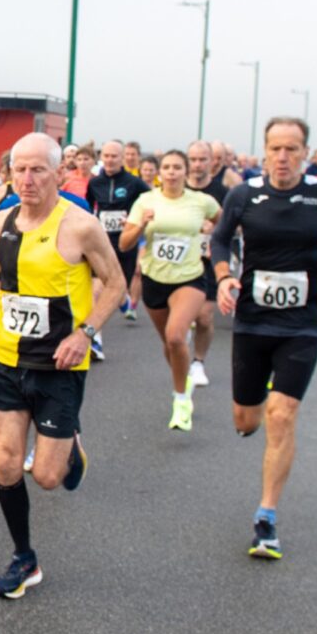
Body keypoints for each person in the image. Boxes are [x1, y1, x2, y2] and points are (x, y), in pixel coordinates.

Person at [0, 133, 125, 598]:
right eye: (19, 169)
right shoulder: (2, 222)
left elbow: (115, 283)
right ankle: (24, 557)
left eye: (38, 169)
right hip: (7, 358)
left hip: (59, 366)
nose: (27, 178)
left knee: (45, 477)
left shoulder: (81, 227)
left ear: (59, 173)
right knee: (5, 461)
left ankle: (70, 446)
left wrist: (86, 334)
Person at [211, 117, 317, 562]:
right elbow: (219, 238)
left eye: (292, 148)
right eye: (275, 148)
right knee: (246, 421)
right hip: (252, 323)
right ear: (265, 151)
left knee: (282, 413)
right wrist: (224, 276)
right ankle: (264, 401)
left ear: (305, 153)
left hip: (302, 326)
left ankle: (266, 518)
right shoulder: (244, 195)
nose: (283, 156)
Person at [119, 149, 219, 432]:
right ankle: (183, 377)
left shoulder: (201, 202)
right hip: (154, 278)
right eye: (167, 167)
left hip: (190, 277)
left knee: (176, 336)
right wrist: (142, 226)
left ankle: (181, 400)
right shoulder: (146, 201)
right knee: (169, 344)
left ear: (186, 172)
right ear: (159, 172)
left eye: (178, 167)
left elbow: (223, 221)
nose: (172, 172)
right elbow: (124, 244)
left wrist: (212, 231)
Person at [86, 140, 149, 330]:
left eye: (114, 156)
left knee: (121, 281)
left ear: (122, 158)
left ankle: (124, 298)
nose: (110, 160)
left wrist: (134, 218)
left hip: (125, 240)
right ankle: (94, 335)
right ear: (100, 157)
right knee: (98, 286)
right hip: (101, 240)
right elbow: (89, 207)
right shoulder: (95, 182)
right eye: (106, 156)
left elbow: (151, 201)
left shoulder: (134, 183)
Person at [185, 140, 233, 388]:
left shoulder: (224, 194)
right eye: (193, 159)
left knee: (204, 317)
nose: (198, 164)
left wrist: (215, 227)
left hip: (208, 261)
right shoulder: (177, 189)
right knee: (178, 320)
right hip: (178, 264)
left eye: (203, 159)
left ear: (213, 162)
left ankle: (198, 362)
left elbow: (234, 230)